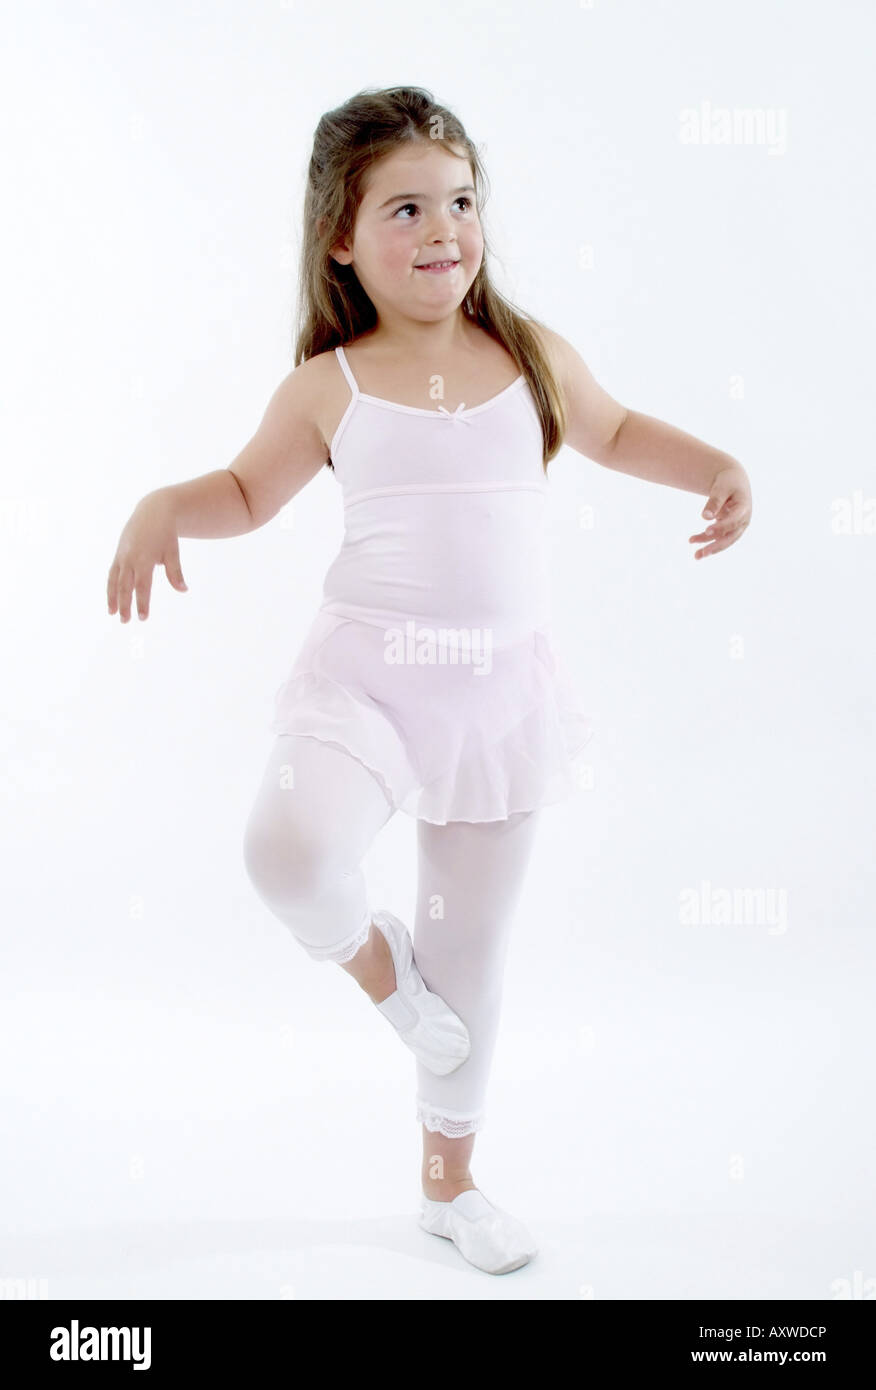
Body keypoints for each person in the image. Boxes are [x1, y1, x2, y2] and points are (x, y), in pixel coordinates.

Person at [106, 86, 752, 1276]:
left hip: (497, 699)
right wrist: (166, 505)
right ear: (341, 239)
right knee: (287, 851)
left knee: (476, 965)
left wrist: (715, 464)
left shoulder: (528, 356)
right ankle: (375, 965)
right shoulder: (330, 384)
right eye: (407, 208)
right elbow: (248, 495)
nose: (444, 229)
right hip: (368, 683)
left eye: (461, 201)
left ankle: (449, 1189)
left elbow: (611, 431)